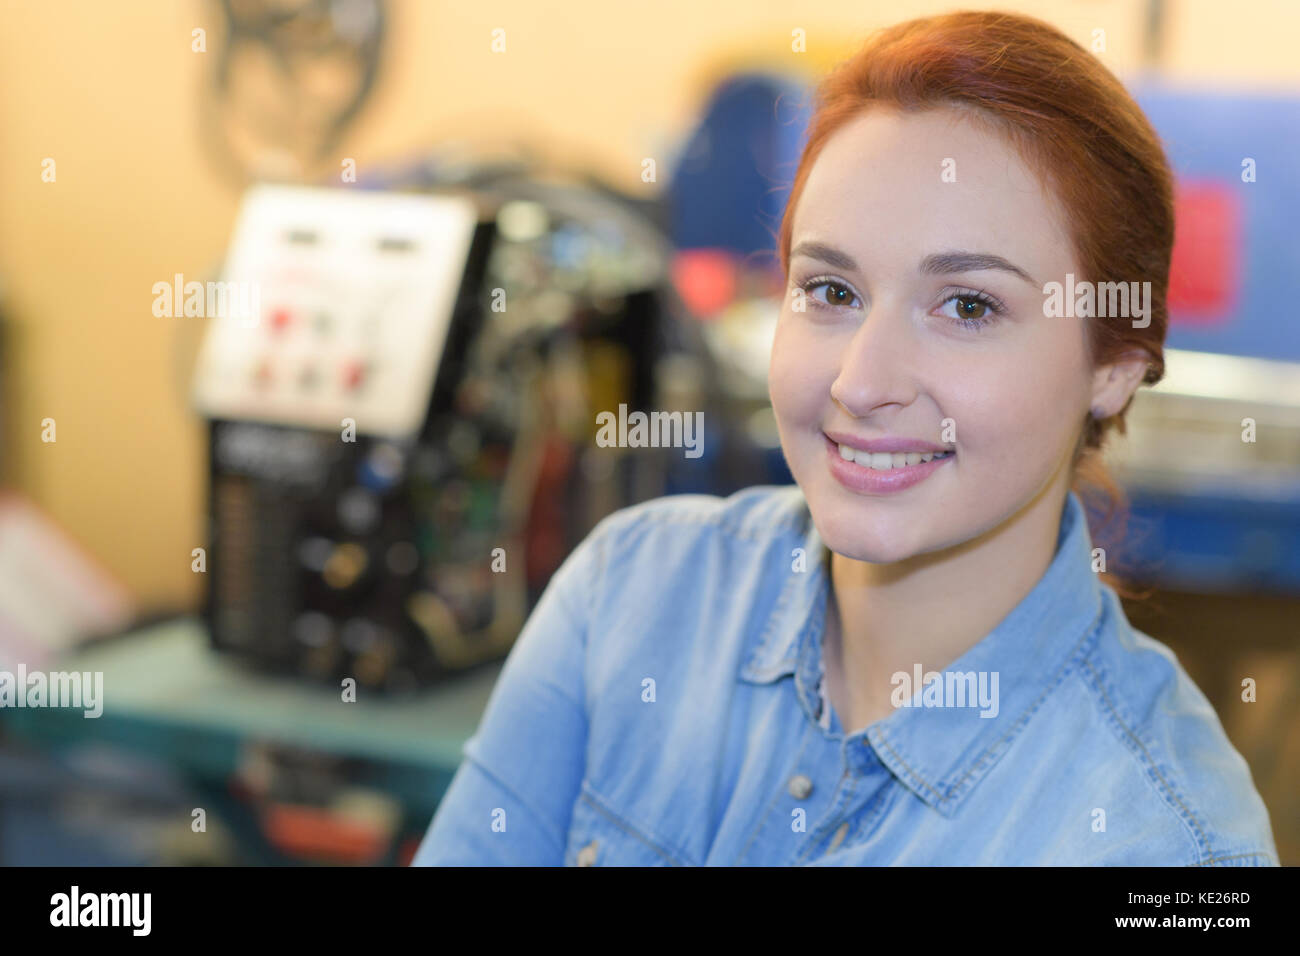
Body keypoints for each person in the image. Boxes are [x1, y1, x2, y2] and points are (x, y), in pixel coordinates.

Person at [411, 10, 1279, 866]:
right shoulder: (630, 596)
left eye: (969, 306)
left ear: (1116, 365)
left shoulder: (1160, 845)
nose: (861, 384)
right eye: (831, 291)